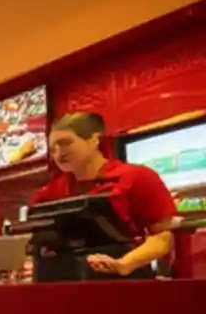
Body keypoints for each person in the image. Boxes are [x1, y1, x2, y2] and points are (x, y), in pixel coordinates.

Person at [31, 112, 178, 276]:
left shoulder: (137, 177)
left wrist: (124, 264)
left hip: (124, 282)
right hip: (61, 285)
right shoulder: (48, 193)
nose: (58, 154)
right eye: (53, 150)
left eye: (66, 143)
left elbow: (163, 238)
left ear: (94, 140)